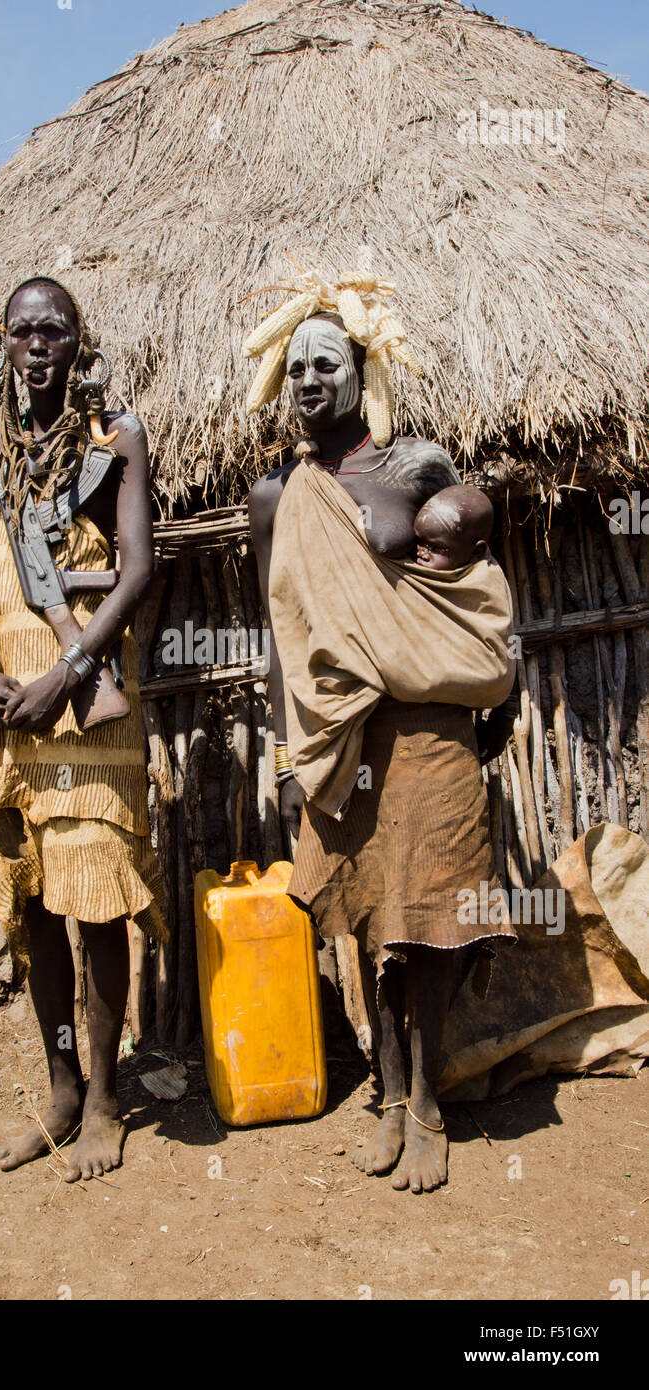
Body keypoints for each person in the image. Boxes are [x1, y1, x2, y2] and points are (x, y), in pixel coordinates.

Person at [247, 278, 517, 1193]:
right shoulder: (278, 495)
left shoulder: (421, 469)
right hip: (340, 740)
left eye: (329, 363)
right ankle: (391, 1091)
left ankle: (431, 1098)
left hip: (432, 732)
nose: (310, 380)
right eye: (297, 369)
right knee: (367, 920)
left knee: (430, 920)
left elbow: (477, 596)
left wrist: (497, 704)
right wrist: (290, 753)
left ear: (363, 373)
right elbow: (281, 631)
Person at [0, 277, 165, 1181]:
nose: (36, 345)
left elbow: (139, 568)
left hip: (83, 713)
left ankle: (107, 1100)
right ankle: (61, 1090)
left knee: (96, 906)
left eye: (53, 330)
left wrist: (67, 668)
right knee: (29, 904)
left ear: (77, 341)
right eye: (22, 330)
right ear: (5, 339)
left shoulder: (118, 438)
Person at [413, 484, 494, 571]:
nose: (421, 553)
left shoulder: (483, 583)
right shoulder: (402, 569)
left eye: (437, 548)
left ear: (477, 551)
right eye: (419, 542)